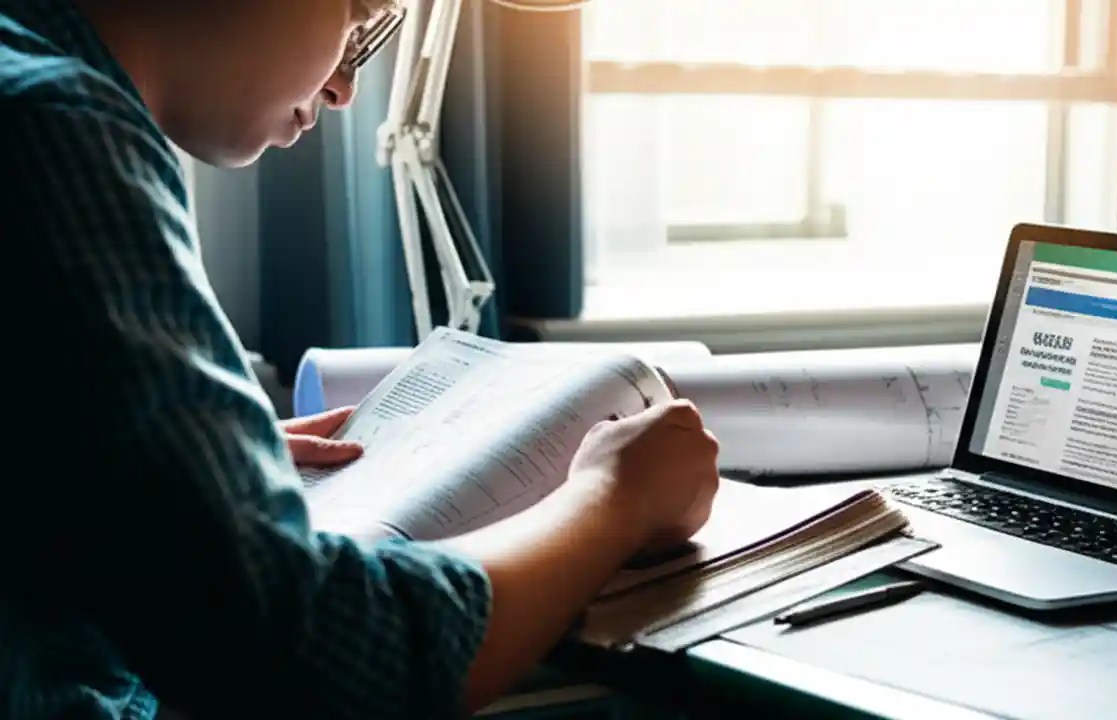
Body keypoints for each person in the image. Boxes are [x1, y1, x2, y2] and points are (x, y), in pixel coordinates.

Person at [0, 1, 721, 719]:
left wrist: (161, 476)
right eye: (359, 16)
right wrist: (611, 501)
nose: (344, 88)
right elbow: (305, 659)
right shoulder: (54, 126)